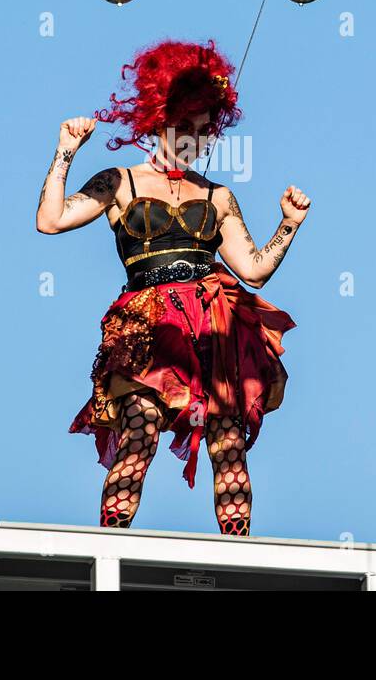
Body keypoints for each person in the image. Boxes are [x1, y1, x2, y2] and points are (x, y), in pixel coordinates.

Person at [36, 38, 310, 536]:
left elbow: (252, 269)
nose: (197, 139)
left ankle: (239, 551)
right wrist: (65, 153)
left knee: (227, 437)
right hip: (149, 319)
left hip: (214, 321)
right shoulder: (118, 181)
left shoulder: (219, 196)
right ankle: (112, 540)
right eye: (188, 127)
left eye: (205, 132)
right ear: (162, 118)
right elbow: (51, 220)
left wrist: (288, 224)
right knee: (141, 423)